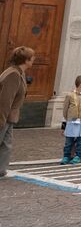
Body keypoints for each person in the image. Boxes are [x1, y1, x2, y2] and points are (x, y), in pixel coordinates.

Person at [0, 46, 34, 179]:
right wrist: (1, 120)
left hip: (10, 116)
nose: (34, 60)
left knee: (6, 144)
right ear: (26, 60)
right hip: (4, 115)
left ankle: (1, 170)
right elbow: (5, 100)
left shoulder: (19, 73)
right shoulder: (13, 74)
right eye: (32, 58)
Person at [60, 74, 81, 165]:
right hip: (71, 121)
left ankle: (78, 156)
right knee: (69, 140)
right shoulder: (69, 95)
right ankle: (66, 156)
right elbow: (65, 108)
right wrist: (67, 119)